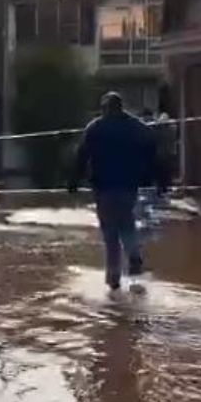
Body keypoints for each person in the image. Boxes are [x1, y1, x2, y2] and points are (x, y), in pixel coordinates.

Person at [70, 92, 161, 292]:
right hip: (129, 185)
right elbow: (153, 152)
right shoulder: (137, 127)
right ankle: (134, 254)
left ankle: (113, 279)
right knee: (126, 222)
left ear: (105, 108)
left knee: (110, 232)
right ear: (121, 107)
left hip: (103, 187)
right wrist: (159, 180)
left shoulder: (95, 127)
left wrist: (74, 182)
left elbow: (82, 155)